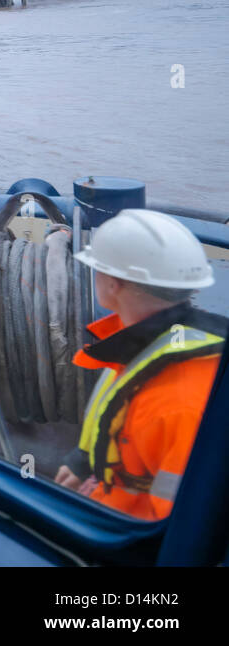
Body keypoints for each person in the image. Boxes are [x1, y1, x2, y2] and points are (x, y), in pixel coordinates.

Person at [54, 209, 223, 520]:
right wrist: (86, 460)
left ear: (113, 285)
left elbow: (184, 527)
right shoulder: (145, 342)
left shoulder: (179, 404)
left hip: (129, 534)